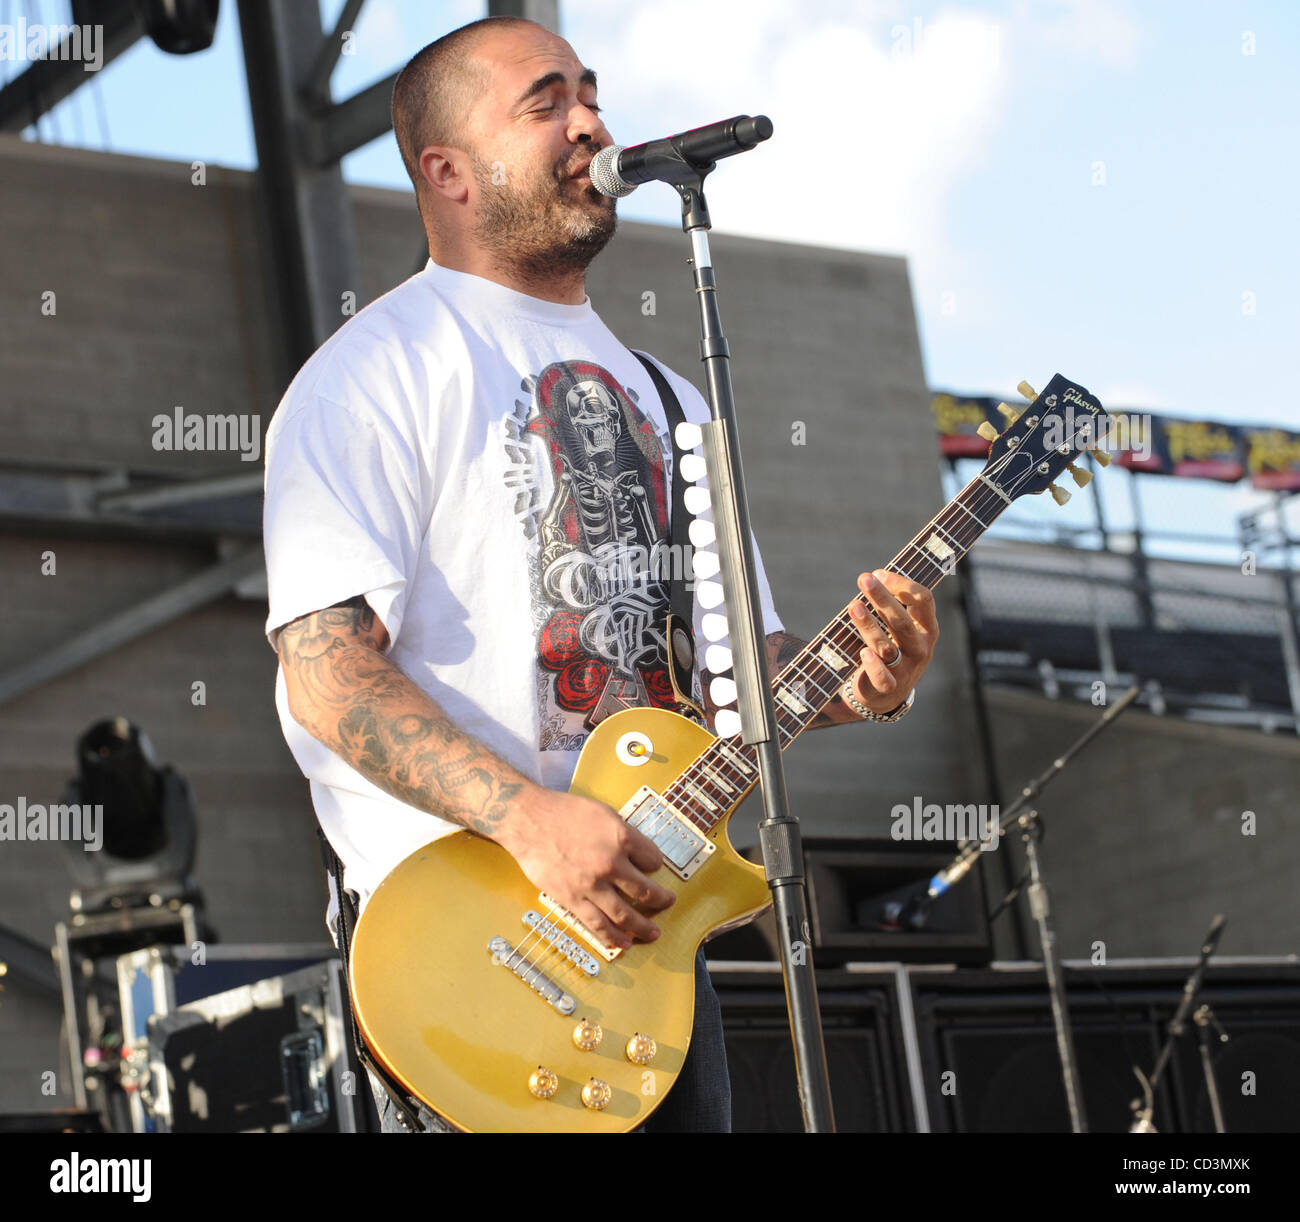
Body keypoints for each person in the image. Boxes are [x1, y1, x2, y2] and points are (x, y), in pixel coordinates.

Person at [261, 15, 939, 1133]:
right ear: (448, 173)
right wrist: (527, 818)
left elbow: (734, 687)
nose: (590, 122)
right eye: (544, 102)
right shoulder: (370, 376)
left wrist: (862, 681)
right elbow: (328, 676)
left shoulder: (676, 396)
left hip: (646, 954)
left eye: (588, 91)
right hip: (471, 965)